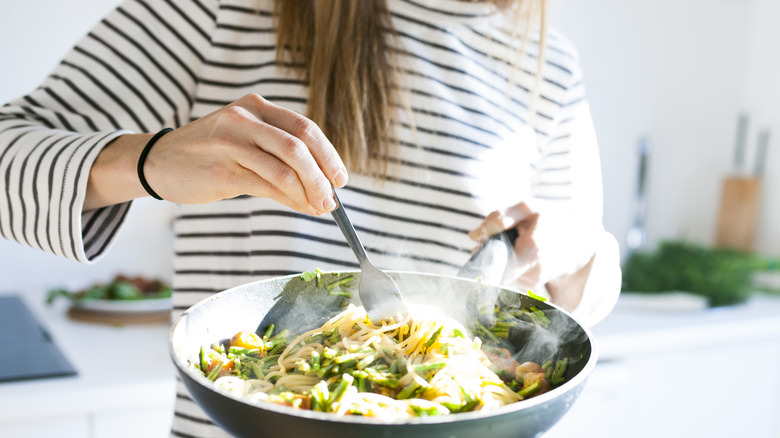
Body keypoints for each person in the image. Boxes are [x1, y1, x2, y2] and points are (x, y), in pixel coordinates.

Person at [0, 0, 621, 435]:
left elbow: (577, 301)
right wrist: (149, 160)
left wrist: (582, 251)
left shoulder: (549, 67)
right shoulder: (219, 10)